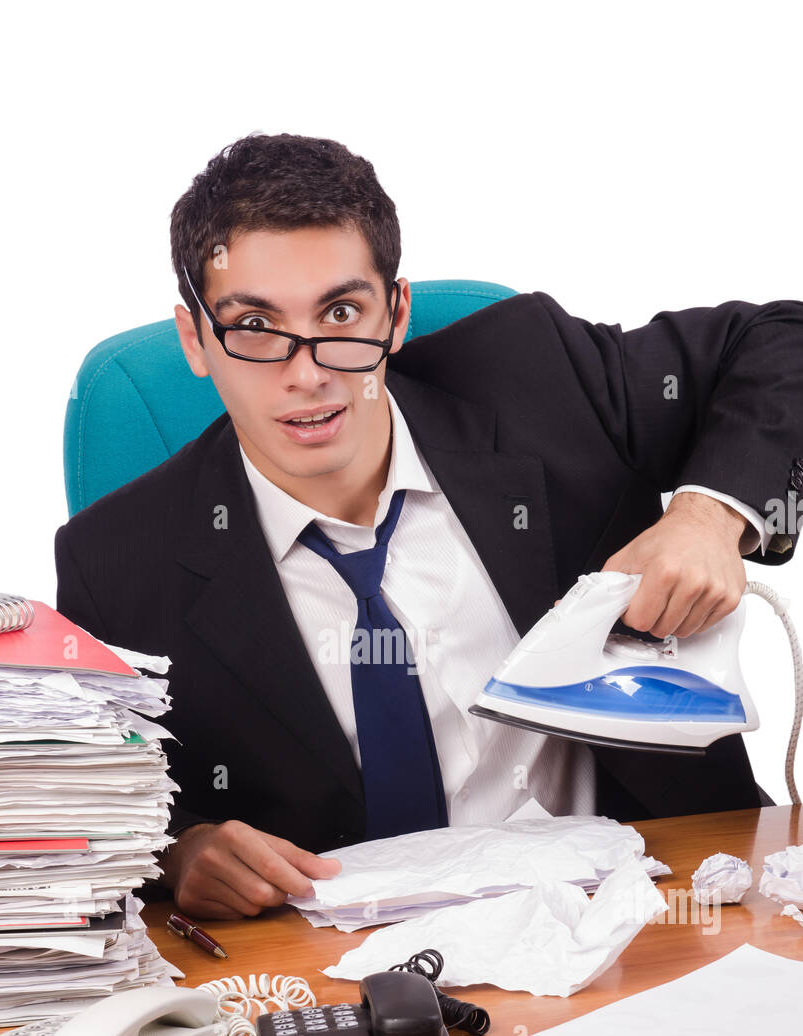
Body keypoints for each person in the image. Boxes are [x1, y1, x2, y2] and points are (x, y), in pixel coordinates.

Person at [55, 133, 803, 920]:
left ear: (396, 314)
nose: (306, 372)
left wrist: (708, 515)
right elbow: (98, 813)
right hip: (357, 961)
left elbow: (780, 340)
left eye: (340, 313)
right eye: (253, 324)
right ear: (195, 341)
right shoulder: (115, 565)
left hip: (664, 901)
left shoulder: (540, 377)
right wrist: (178, 855)